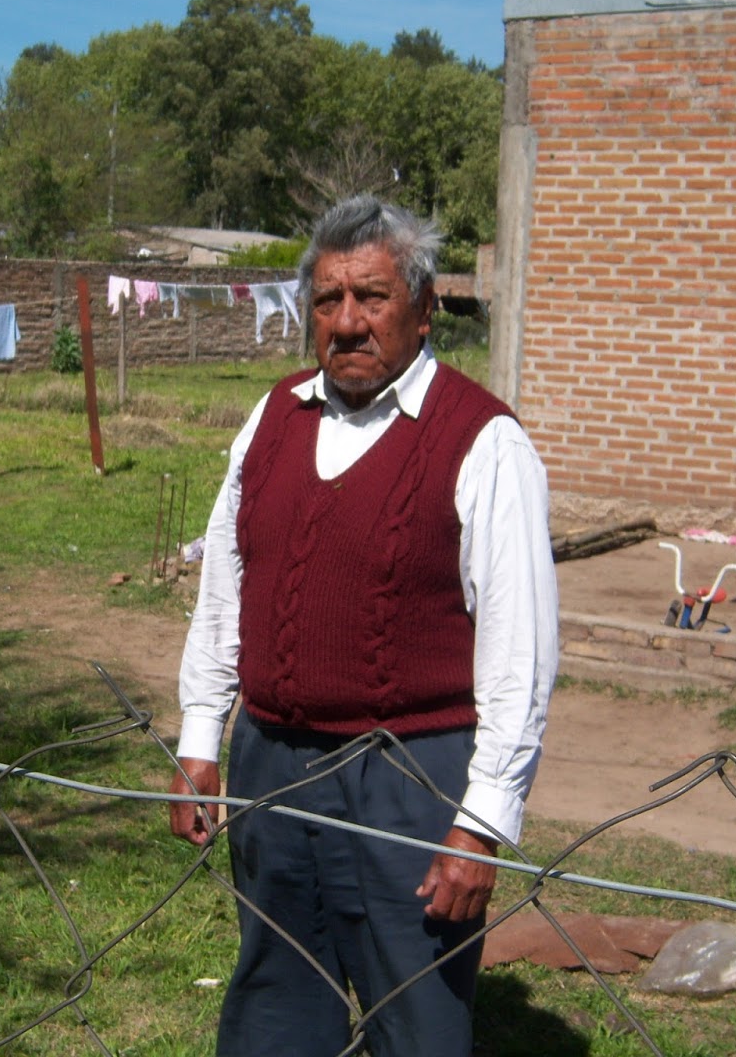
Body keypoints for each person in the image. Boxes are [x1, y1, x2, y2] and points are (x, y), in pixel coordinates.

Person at [169, 194, 559, 1056]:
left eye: (372, 298)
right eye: (327, 300)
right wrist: (202, 739)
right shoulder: (271, 421)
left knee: (413, 1015)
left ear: (423, 312)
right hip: (272, 764)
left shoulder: (481, 442)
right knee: (275, 996)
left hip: (408, 779)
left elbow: (519, 655)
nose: (347, 323)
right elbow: (225, 593)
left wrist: (481, 823)